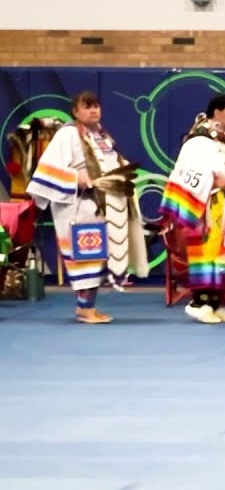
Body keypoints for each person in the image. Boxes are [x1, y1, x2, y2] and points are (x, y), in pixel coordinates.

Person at [27, 91, 148, 323]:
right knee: (85, 257)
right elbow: (46, 170)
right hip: (79, 206)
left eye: (96, 106)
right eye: (87, 107)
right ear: (75, 111)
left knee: (97, 257)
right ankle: (84, 309)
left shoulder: (102, 135)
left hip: (102, 206)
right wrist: (77, 178)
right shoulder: (68, 135)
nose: (93, 111)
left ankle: (87, 307)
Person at [160, 94, 225, 324]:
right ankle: (199, 302)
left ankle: (215, 303)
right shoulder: (198, 140)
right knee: (206, 252)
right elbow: (190, 169)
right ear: (217, 112)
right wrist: (215, 181)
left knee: (224, 254)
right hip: (208, 207)